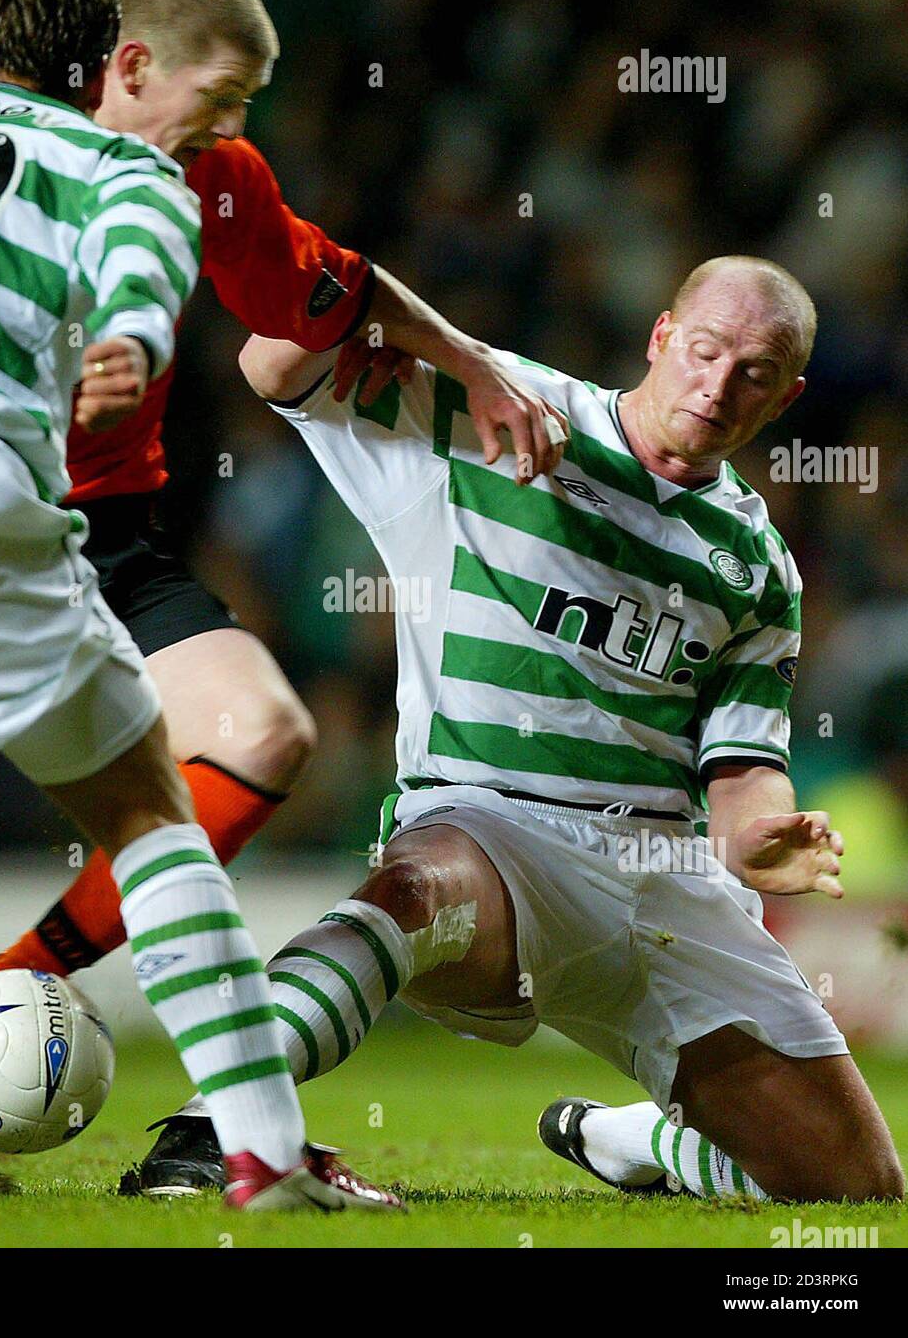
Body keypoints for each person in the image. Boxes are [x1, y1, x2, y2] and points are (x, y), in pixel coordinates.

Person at [0, 0, 566, 1022]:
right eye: (219, 99)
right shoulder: (11, 155)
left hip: (109, 537)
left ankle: (9, 991)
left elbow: (329, 284)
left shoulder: (214, 179)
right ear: (128, 66)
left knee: (262, 732)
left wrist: (468, 360)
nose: (230, 127)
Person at [137, 254, 903, 1203]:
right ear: (661, 337)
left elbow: (743, 762)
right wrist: (390, 311)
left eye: (751, 374)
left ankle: (643, 1147)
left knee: (856, 1191)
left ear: (783, 399)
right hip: (494, 829)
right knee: (412, 892)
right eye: (704, 352)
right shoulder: (493, 406)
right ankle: (216, 1127)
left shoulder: (757, 564)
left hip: (666, 879)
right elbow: (271, 367)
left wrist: (762, 835)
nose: (716, 387)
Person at [0, 0, 401, 1212]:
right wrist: (133, 340)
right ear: (101, 69)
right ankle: (261, 1156)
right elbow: (148, 272)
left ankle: (17, 982)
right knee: (149, 810)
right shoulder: (110, 161)